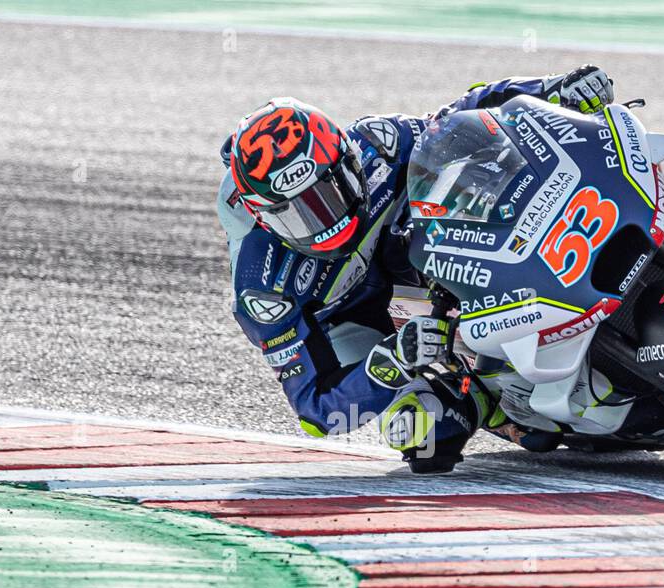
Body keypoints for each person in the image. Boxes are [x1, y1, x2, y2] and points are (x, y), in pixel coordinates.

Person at [216, 66, 614, 472]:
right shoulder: (262, 288)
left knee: (475, 170)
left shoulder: (376, 143)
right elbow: (316, 411)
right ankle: (488, 402)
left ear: (348, 160)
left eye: (329, 193)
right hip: (344, 315)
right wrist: (392, 360)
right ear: (263, 218)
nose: (323, 223)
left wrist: (550, 89)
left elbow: (466, 116)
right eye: (297, 215)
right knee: (419, 429)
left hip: (404, 248)